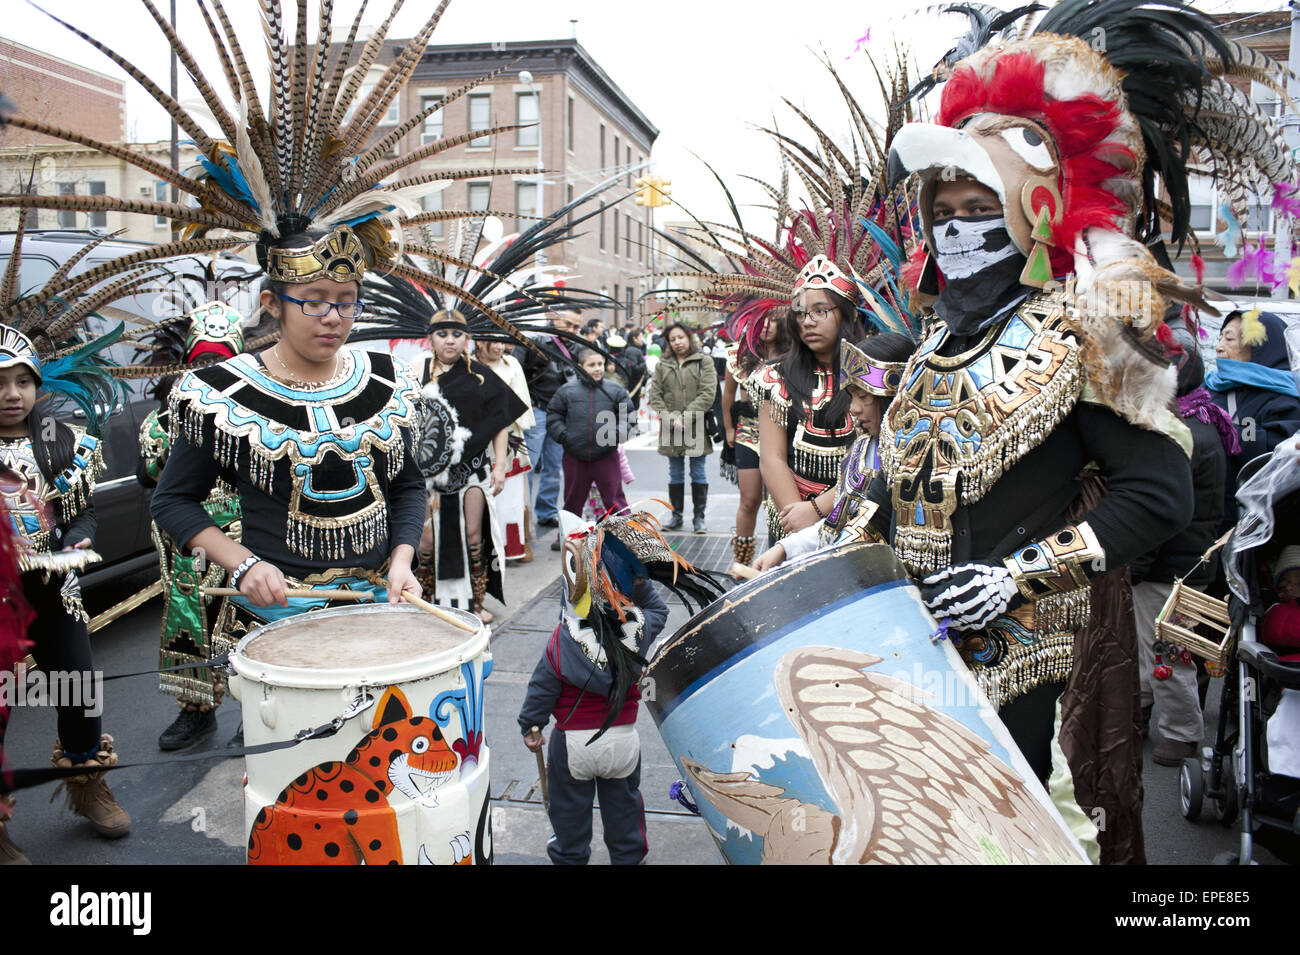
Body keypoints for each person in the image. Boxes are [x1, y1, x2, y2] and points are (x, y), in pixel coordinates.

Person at [877, 0, 1288, 861]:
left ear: (1030, 206)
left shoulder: (1085, 328)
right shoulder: (935, 342)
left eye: (974, 200)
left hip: (1035, 664)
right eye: (938, 203)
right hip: (915, 656)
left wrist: (1016, 576)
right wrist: (821, 544)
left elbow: (1159, 491)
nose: (953, 222)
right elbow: (902, 481)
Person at [151, 226, 431, 676]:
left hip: (380, 602)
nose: (333, 317)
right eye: (314, 300)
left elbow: (408, 486)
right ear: (272, 304)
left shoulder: (386, 378)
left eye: (346, 301)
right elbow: (171, 500)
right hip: (278, 609)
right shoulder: (222, 391)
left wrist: (402, 560)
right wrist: (243, 566)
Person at [0, 234, 136, 855]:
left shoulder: (59, 440)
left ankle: (88, 786)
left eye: (22, 382)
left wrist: (76, 543)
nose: (11, 395)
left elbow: (82, 515)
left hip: (57, 589)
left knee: (78, 690)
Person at [517, 508, 717, 865]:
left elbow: (541, 688)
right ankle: (628, 855)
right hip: (623, 741)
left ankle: (570, 855)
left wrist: (531, 726)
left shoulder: (561, 640)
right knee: (624, 805)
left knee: (568, 810)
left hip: (573, 744)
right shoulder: (638, 633)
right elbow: (658, 611)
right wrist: (637, 581)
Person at [135, 301, 246, 751]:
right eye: (203, 360)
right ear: (189, 364)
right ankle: (195, 711)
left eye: (221, 360)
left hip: (241, 534)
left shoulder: (255, 416)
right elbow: (147, 476)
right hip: (181, 539)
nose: (211, 368)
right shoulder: (166, 414)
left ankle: (253, 716)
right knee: (186, 623)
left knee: (243, 624)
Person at [1130, 325, 1229, 767]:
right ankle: (1143, 710)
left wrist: (1136, 562)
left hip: (1170, 565)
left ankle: (1183, 732)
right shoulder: (1203, 417)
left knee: (1169, 652)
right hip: (1185, 561)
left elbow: (1161, 510)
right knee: (1150, 646)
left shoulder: (1178, 431)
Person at [753, 333, 915, 570]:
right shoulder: (863, 450)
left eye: (863, 397)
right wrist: (785, 548)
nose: (854, 408)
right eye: (851, 397)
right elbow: (838, 525)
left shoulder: (919, 455)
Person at [417, 310, 527, 623]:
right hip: (429, 476)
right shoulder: (416, 372)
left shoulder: (480, 375)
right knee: (425, 538)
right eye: (442, 334)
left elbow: (501, 421)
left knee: (473, 534)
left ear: (467, 339)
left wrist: (500, 465)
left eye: (456, 334)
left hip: (473, 471)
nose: (449, 340)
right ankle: (425, 598)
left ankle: (474, 602)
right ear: (430, 338)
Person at [752, 262, 862, 545]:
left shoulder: (872, 373)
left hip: (860, 519)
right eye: (800, 312)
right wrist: (800, 527)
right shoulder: (775, 378)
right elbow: (771, 457)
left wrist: (818, 509)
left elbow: (876, 459)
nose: (808, 321)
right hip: (792, 521)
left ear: (848, 314)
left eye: (820, 311)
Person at [1208, 310, 1300, 526]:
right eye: (1220, 337)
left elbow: (1277, 452)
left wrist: (1226, 429)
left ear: (1259, 346)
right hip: (1203, 514)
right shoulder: (1210, 386)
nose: (1219, 346)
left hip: (1249, 522)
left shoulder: (1284, 399)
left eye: (1229, 339)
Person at [721, 302, 790, 567]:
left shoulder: (794, 356)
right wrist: (729, 428)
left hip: (782, 434)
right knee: (749, 501)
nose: (767, 326)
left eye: (773, 320)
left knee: (778, 502)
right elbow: (727, 395)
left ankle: (779, 557)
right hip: (747, 433)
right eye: (762, 320)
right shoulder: (739, 356)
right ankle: (741, 563)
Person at [547, 348, 635, 520]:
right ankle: (569, 539)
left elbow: (628, 416)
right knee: (572, 502)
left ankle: (627, 538)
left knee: (616, 501)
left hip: (606, 455)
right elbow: (553, 416)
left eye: (600, 364)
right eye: (592, 365)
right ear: (580, 367)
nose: (598, 368)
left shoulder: (616, 390)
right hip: (575, 456)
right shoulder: (566, 391)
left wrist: (616, 435)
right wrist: (565, 437)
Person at [649, 322, 718, 533]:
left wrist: (686, 417)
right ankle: (676, 515)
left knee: (698, 472)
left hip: (695, 425)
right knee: (675, 473)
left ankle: (699, 517)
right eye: (673, 339)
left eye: (681, 337)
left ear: (689, 337)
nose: (677, 342)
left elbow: (708, 393)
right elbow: (655, 396)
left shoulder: (703, 361)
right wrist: (671, 419)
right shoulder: (663, 365)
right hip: (671, 428)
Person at [520, 310, 583, 531]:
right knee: (529, 465)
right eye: (568, 324)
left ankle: (546, 512)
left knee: (554, 466)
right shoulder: (536, 341)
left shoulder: (575, 347)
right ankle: (523, 512)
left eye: (576, 327)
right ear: (555, 319)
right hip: (537, 409)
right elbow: (520, 374)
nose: (572, 330)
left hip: (560, 414)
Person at [478, 338, 536, 563]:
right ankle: (484, 549)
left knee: (511, 498)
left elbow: (521, 402)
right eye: (493, 341)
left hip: (510, 436)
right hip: (479, 439)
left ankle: (512, 548)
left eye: (502, 342)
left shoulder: (512, 364)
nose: (499, 347)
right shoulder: (469, 364)